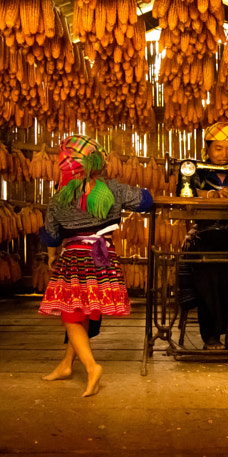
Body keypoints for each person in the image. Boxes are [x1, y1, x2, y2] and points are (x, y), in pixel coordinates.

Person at [38, 135, 153, 396]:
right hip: (104, 259)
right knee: (82, 312)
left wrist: (50, 256)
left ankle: (91, 367)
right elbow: (146, 201)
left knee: (70, 316)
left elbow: (52, 236)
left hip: (75, 260)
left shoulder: (59, 201)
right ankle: (66, 365)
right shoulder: (114, 189)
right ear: (98, 163)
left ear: (65, 168)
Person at [177, 122, 228, 349]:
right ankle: (212, 335)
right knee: (209, 273)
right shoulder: (193, 172)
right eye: (218, 148)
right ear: (207, 148)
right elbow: (183, 196)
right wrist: (210, 195)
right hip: (205, 236)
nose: (224, 154)